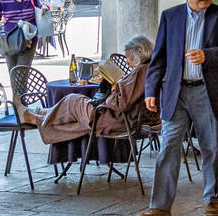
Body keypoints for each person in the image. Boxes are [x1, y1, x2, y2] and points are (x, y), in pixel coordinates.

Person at [136, 0, 218, 216]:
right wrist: (151, 90)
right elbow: (158, 59)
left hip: (206, 90)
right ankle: (160, 207)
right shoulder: (170, 17)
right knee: (169, 146)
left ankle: (212, 200)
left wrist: (208, 55)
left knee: (211, 147)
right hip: (176, 91)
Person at [23, 36, 156, 141]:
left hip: (118, 121)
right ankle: (37, 116)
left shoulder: (141, 71)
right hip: (125, 120)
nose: (127, 62)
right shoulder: (151, 69)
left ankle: (37, 115)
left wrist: (115, 86)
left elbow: (120, 104)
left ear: (139, 51)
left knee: (72, 100)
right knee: (77, 123)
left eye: (128, 57)